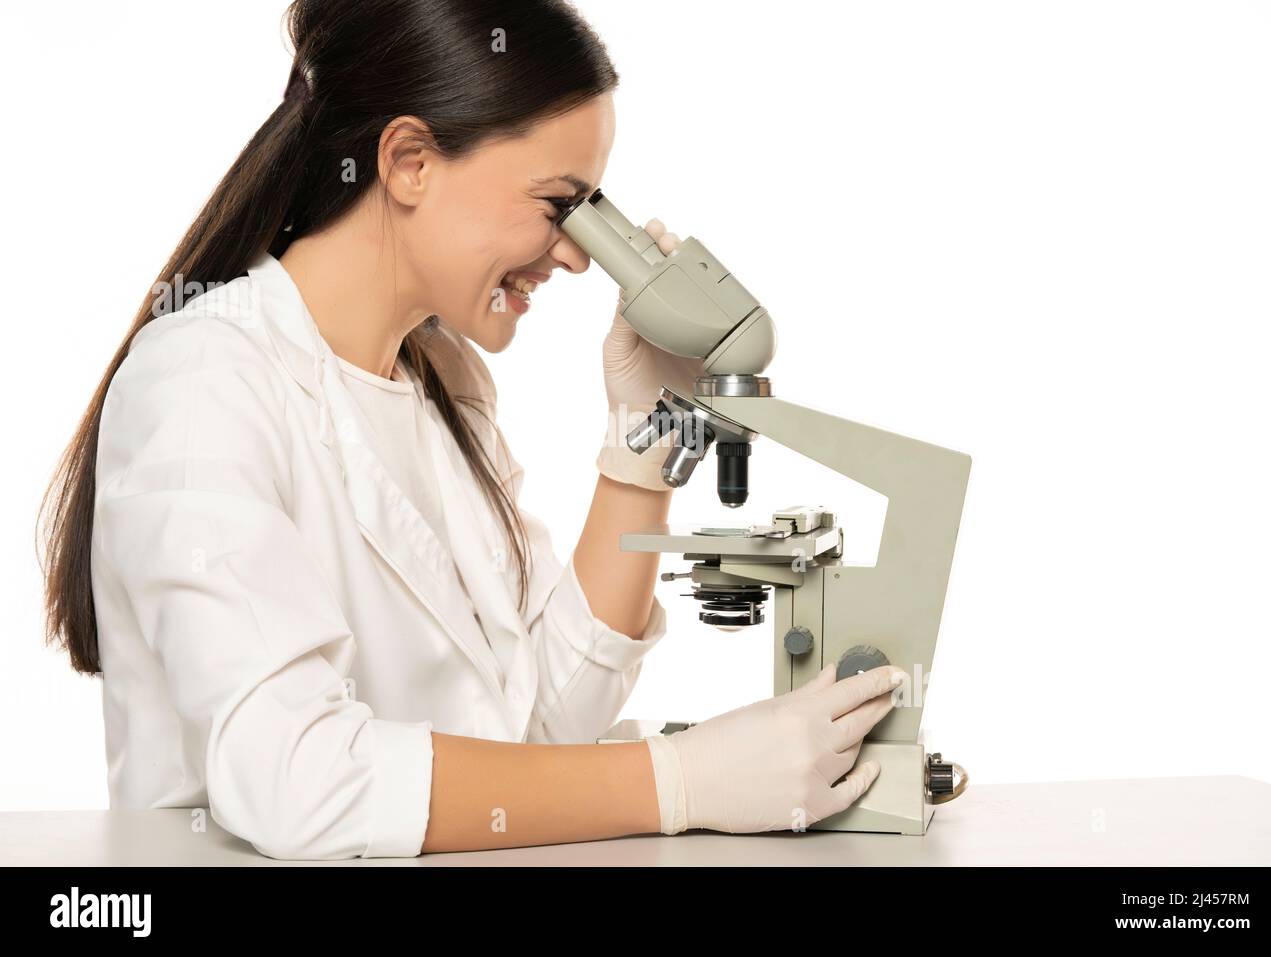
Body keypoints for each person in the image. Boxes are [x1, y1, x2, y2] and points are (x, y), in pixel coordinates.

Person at [38, 0, 903, 859]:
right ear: (410, 161)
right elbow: (300, 783)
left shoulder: (444, 379)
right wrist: (677, 779)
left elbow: (538, 726)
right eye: (558, 204)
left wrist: (638, 452)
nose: (574, 254)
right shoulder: (203, 380)